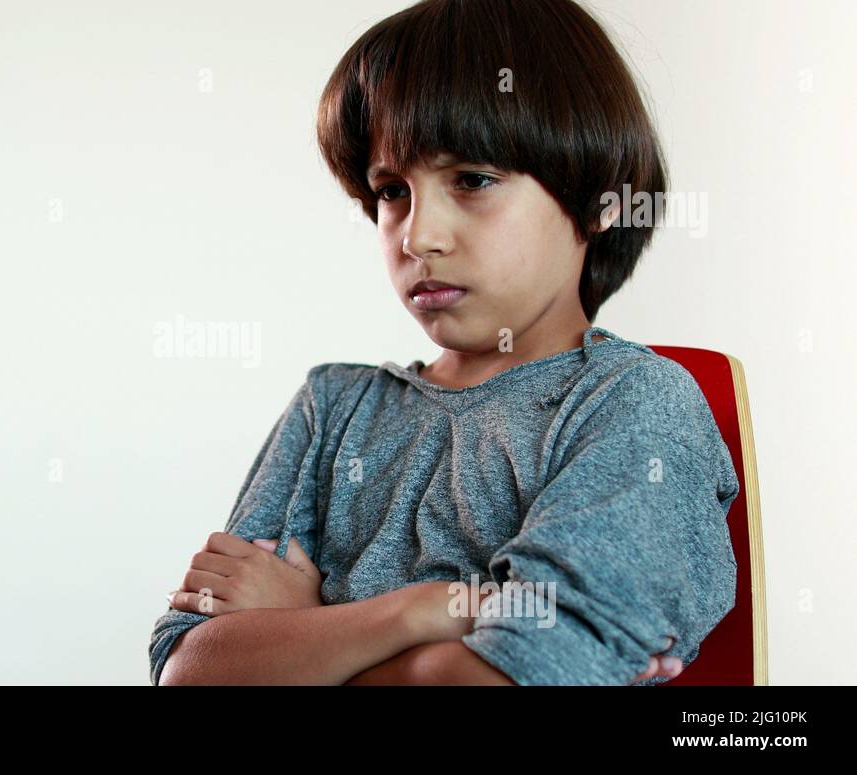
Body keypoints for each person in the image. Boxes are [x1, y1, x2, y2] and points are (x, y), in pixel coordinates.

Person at [150, 0, 740, 685]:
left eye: (472, 180)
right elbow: (189, 670)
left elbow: (510, 676)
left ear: (600, 201)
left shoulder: (632, 403)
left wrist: (309, 623)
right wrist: (420, 611)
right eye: (393, 191)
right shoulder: (331, 407)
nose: (417, 235)